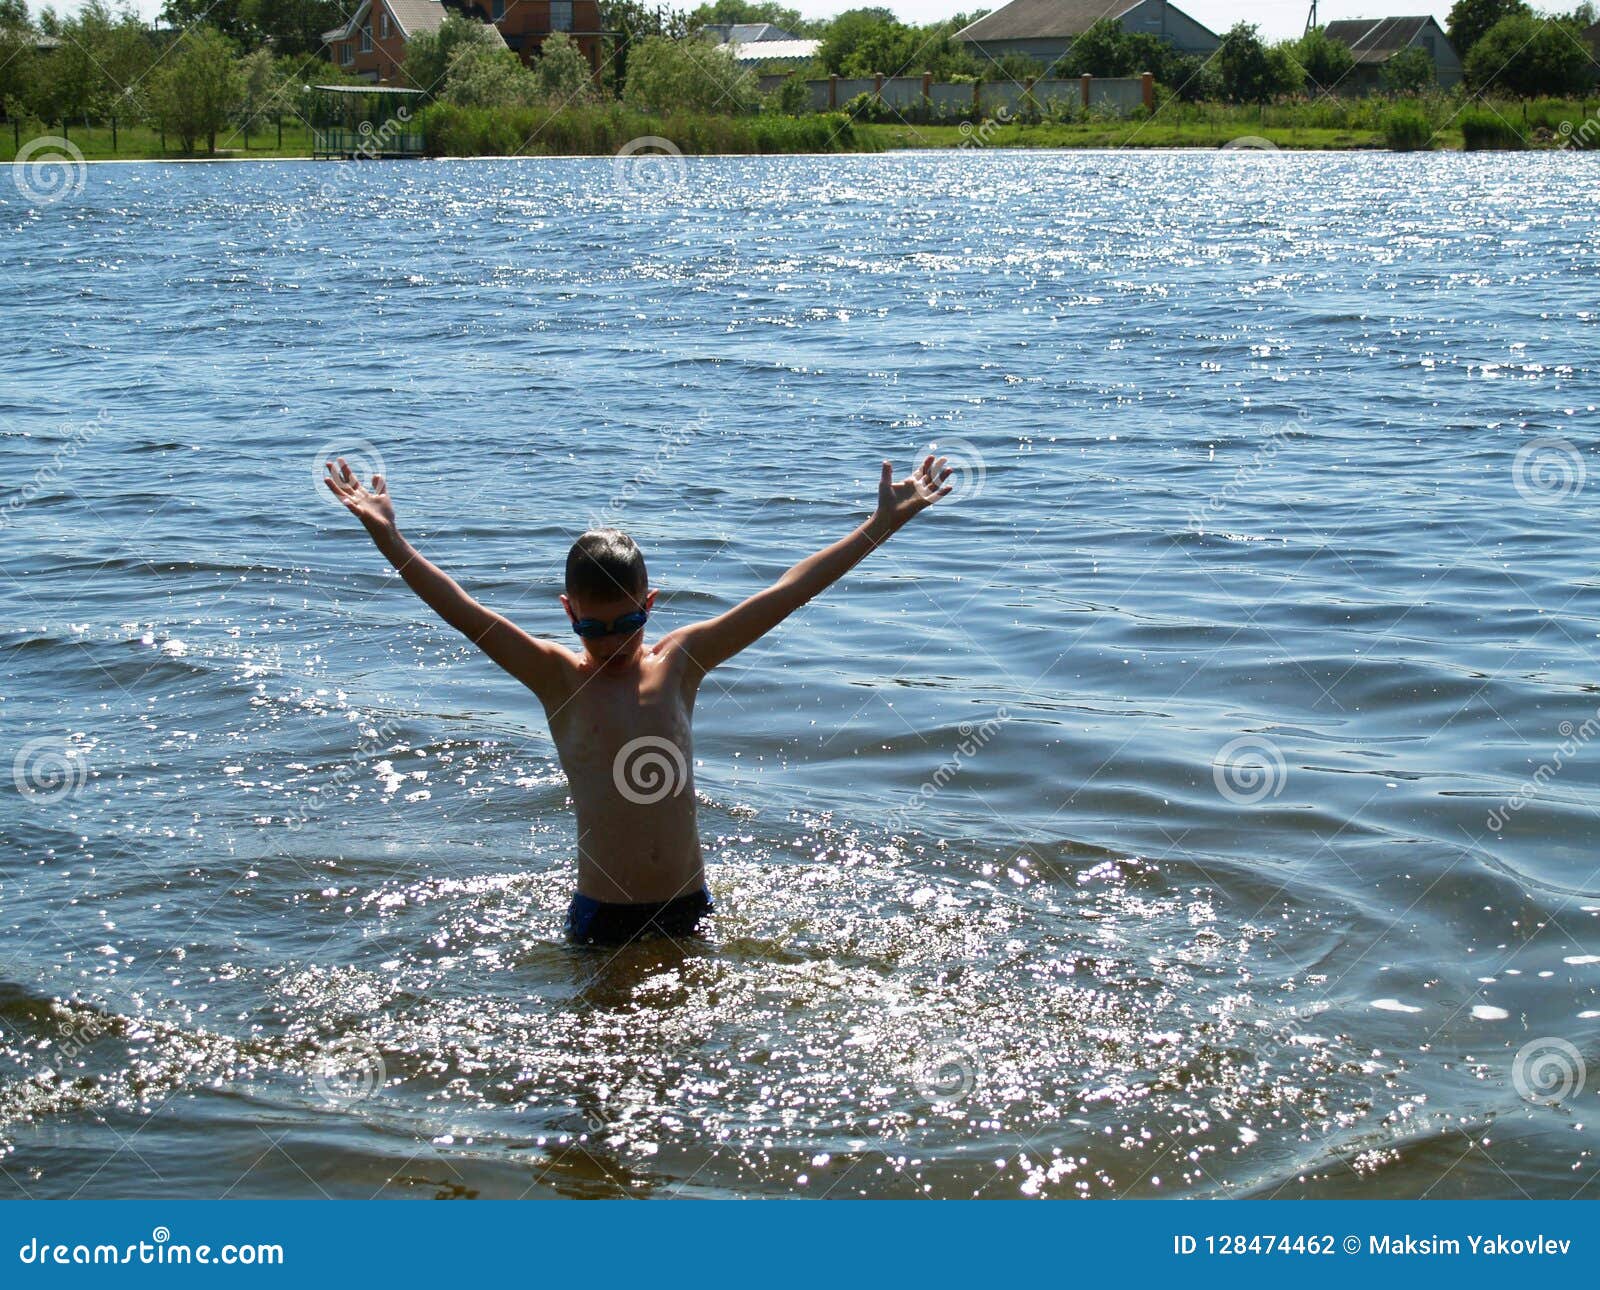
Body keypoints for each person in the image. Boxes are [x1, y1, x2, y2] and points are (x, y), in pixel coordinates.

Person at [323, 453, 954, 948]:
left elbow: (787, 593)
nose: (609, 642)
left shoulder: (680, 664)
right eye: (591, 628)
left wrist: (877, 528)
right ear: (568, 614)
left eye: (625, 625)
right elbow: (463, 610)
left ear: (650, 607)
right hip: (604, 915)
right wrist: (389, 539)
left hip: (689, 905)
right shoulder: (556, 677)